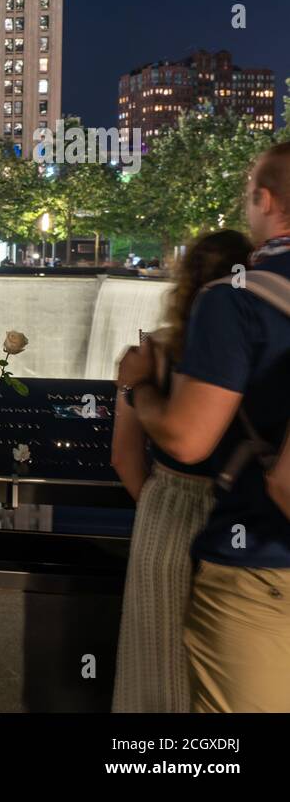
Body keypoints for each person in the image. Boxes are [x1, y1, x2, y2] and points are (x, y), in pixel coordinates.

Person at [118, 143, 290, 712]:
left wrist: (135, 387)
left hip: (250, 564)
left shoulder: (234, 306)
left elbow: (177, 441)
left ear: (264, 200)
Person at [110, 229, 251, 712]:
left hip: (166, 515)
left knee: (155, 664)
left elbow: (124, 458)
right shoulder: (257, 352)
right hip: (241, 515)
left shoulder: (150, 356)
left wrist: (159, 505)